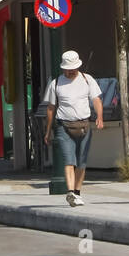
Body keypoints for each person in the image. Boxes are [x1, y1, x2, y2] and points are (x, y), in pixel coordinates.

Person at [42, 50, 104, 207]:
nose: (71, 71)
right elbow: (50, 108)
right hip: (63, 126)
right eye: (68, 69)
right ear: (63, 68)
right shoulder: (56, 83)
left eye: (73, 68)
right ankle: (70, 191)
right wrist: (48, 130)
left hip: (84, 125)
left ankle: (77, 192)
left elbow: (96, 100)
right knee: (69, 160)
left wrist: (99, 117)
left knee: (82, 162)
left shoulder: (87, 79)